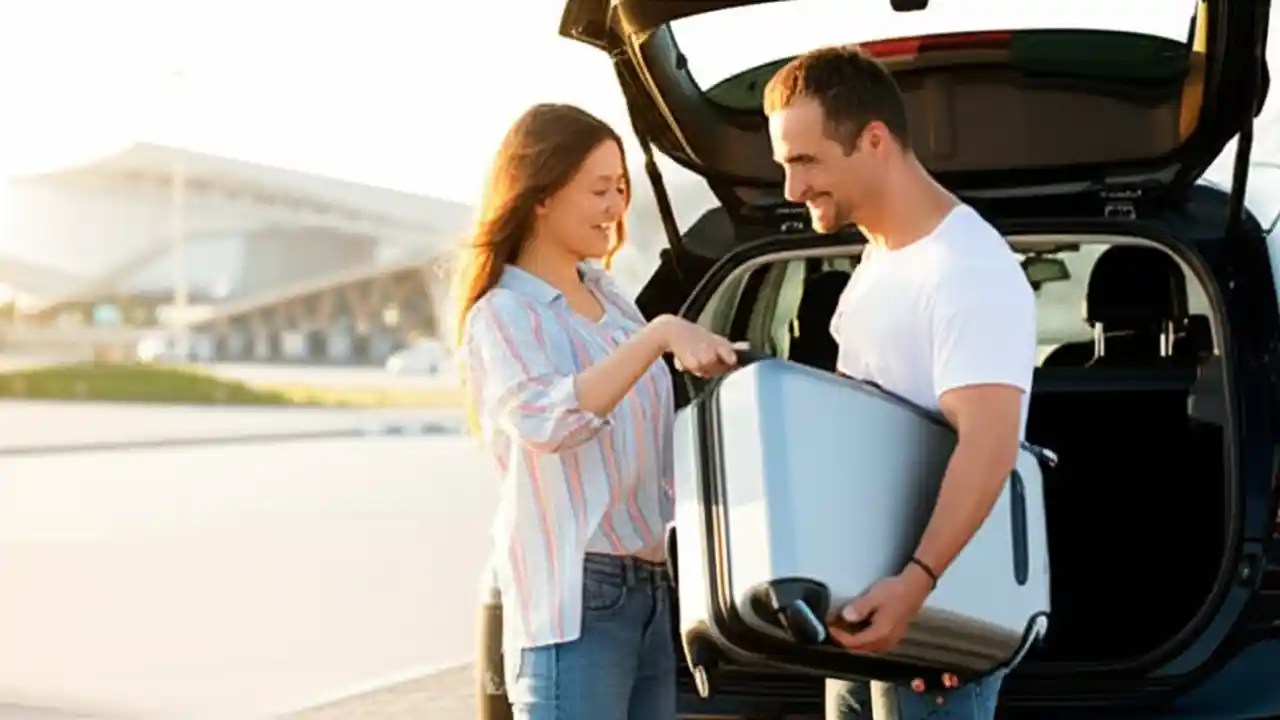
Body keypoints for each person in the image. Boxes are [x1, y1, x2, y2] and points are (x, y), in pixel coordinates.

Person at [762, 46, 1037, 719]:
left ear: (874, 140)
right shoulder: (879, 257)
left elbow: (989, 445)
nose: (792, 190)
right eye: (784, 166)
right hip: (863, 613)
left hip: (928, 623)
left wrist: (918, 584)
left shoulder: (966, 268)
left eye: (806, 162)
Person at [453, 102, 739, 720]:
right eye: (599, 189)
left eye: (620, 188)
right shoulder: (506, 315)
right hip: (575, 598)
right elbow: (547, 420)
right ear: (541, 196)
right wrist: (659, 335)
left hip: (650, 589)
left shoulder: (609, 298)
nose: (615, 207)